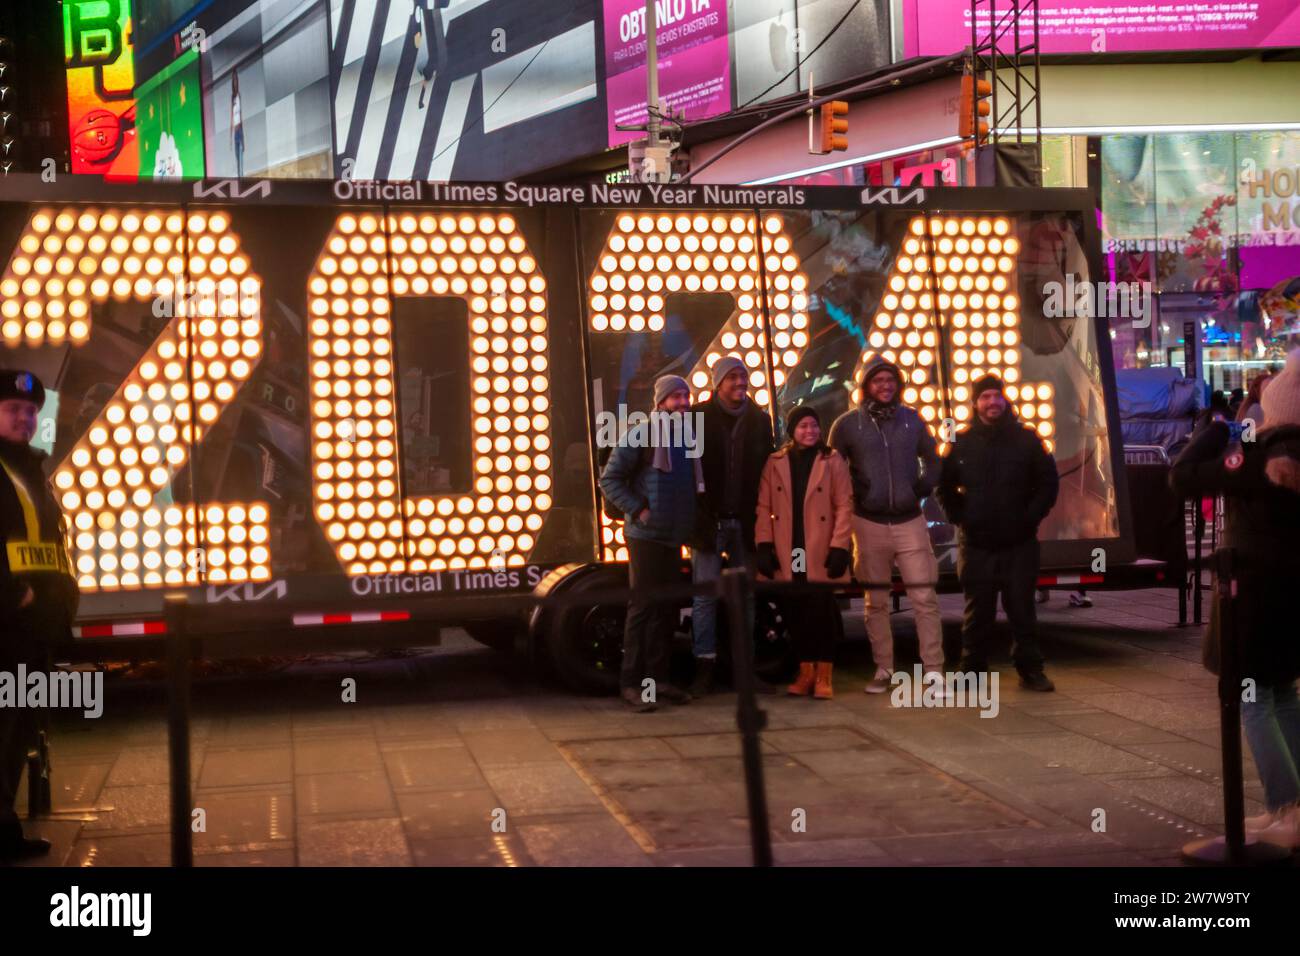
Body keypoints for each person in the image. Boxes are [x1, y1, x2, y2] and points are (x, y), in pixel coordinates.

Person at [1170, 348, 1300, 850]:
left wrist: (1215, 427)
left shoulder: (1258, 457)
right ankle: (1295, 808)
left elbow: (1182, 477)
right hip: (1293, 597)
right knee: (1284, 692)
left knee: (1251, 697)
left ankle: (1285, 806)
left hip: (1254, 594)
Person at [828, 357, 944, 694]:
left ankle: (933, 670)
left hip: (910, 520)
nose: (885, 386)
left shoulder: (912, 420)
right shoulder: (848, 425)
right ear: (866, 386)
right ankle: (884, 668)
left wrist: (921, 487)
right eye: (877, 380)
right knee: (874, 600)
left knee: (924, 595)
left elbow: (933, 458)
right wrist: (856, 493)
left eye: (890, 380)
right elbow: (835, 468)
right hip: (868, 523)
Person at [938, 374, 1060, 692]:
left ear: (1005, 400)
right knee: (978, 611)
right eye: (985, 397)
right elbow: (945, 486)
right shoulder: (960, 443)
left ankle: (1031, 669)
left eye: (997, 396)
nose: (992, 402)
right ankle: (972, 670)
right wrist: (961, 518)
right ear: (975, 403)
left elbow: (1048, 483)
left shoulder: (1028, 439)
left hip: (1019, 541)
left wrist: (1029, 518)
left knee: (1022, 609)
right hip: (976, 542)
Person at [1, 370, 77, 862]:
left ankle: (4, 826)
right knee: (5, 726)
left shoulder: (31, 467)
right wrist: (13, 597)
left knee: (21, 726)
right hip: (7, 626)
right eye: (13, 410)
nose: (25, 418)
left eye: (31, 411)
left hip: (34, 625)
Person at [599, 375, 698, 712]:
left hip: (673, 536)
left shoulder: (688, 437)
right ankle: (631, 684)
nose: (683, 403)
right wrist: (638, 508)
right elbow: (609, 478)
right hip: (645, 536)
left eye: (686, 396)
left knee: (665, 610)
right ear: (661, 403)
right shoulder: (641, 434)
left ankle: (658, 681)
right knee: (642, 608)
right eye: (676, 398)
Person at [689, 355, 775, 697]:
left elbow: (767, 470)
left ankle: (745, 671)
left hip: (746, 521)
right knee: (705, 598)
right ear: (718, 383)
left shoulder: (760, 420)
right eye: (733, 377)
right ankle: (704, 670)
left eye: (744, 376)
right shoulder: (695, 417)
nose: (741, 382)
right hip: (708, 522)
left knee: (747, 599)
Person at [754, 406, 852, 699]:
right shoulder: (776, 462)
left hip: (819, 545)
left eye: (813, 426)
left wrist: (839, 546)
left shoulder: (832, 460)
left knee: (820, 611)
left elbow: (844, 505)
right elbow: (763, 506)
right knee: (795, 611)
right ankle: (805, 671)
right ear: (792, 431)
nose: (809, 431)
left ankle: (824, 675)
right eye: (803, 426)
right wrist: (764, 544)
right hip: (791, 547)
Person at [230, 71, 244, 178]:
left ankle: (242, 178)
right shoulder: (232, 97)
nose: (235, 82)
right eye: (233, 80)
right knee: (237, 158)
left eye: (236, 80)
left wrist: (244, 138)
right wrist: (230, 138)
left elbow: (241, 115)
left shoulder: (239, 96)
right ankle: (240, 179)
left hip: (240, 130)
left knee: (241, 158)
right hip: (235, 132)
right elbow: (231, 117)